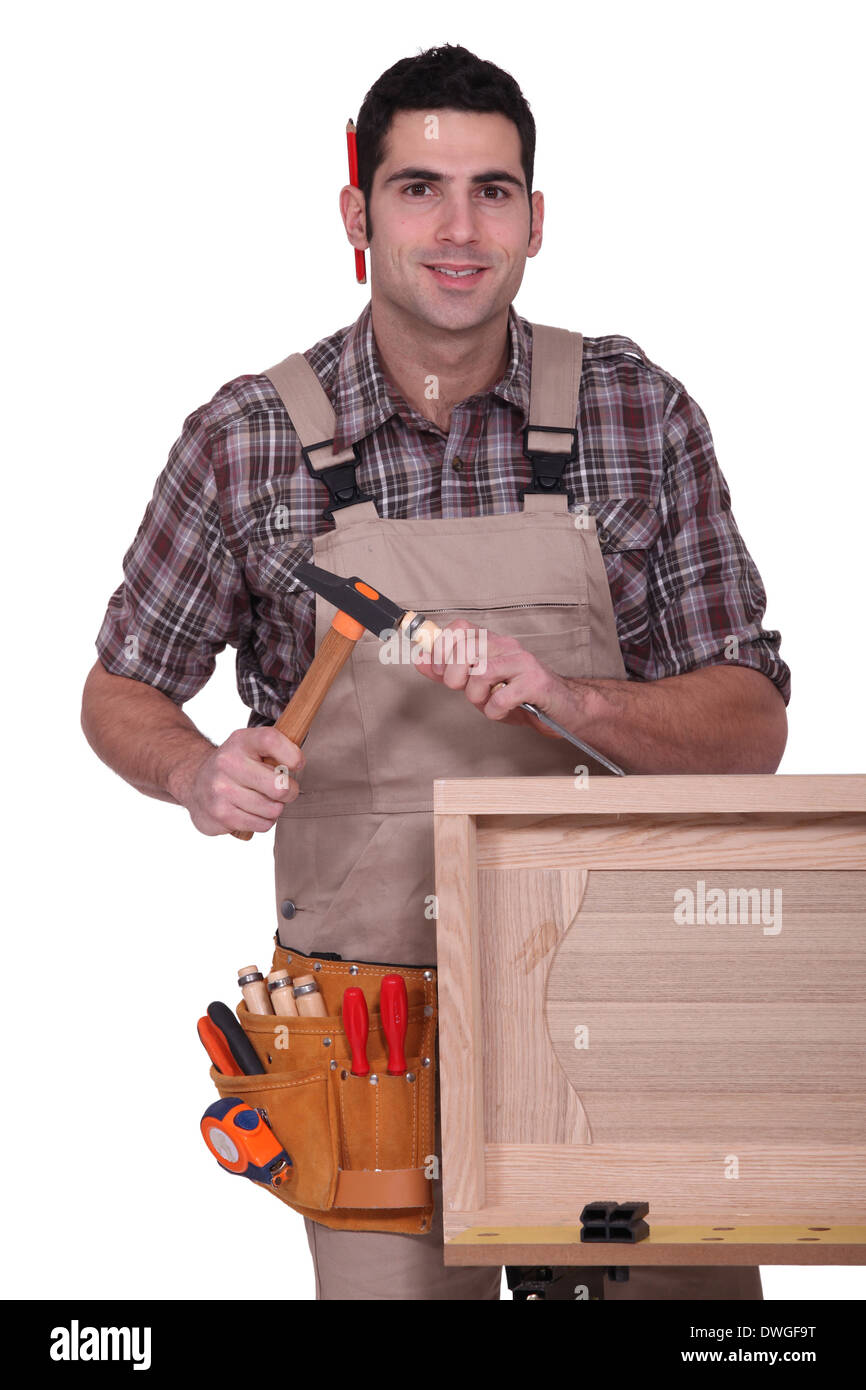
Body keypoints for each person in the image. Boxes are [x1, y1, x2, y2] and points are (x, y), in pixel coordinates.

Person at [81, 43, 790, 1301]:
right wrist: (196, 770)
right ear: (356, 212)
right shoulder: (248, 441)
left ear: (535, 217)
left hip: (620, 1007)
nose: (459, 228)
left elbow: (748, 728)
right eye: (417, 188)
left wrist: (569, 697)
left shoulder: (639, 413)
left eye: (492, 191)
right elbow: (121, 686)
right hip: (372, 1050)